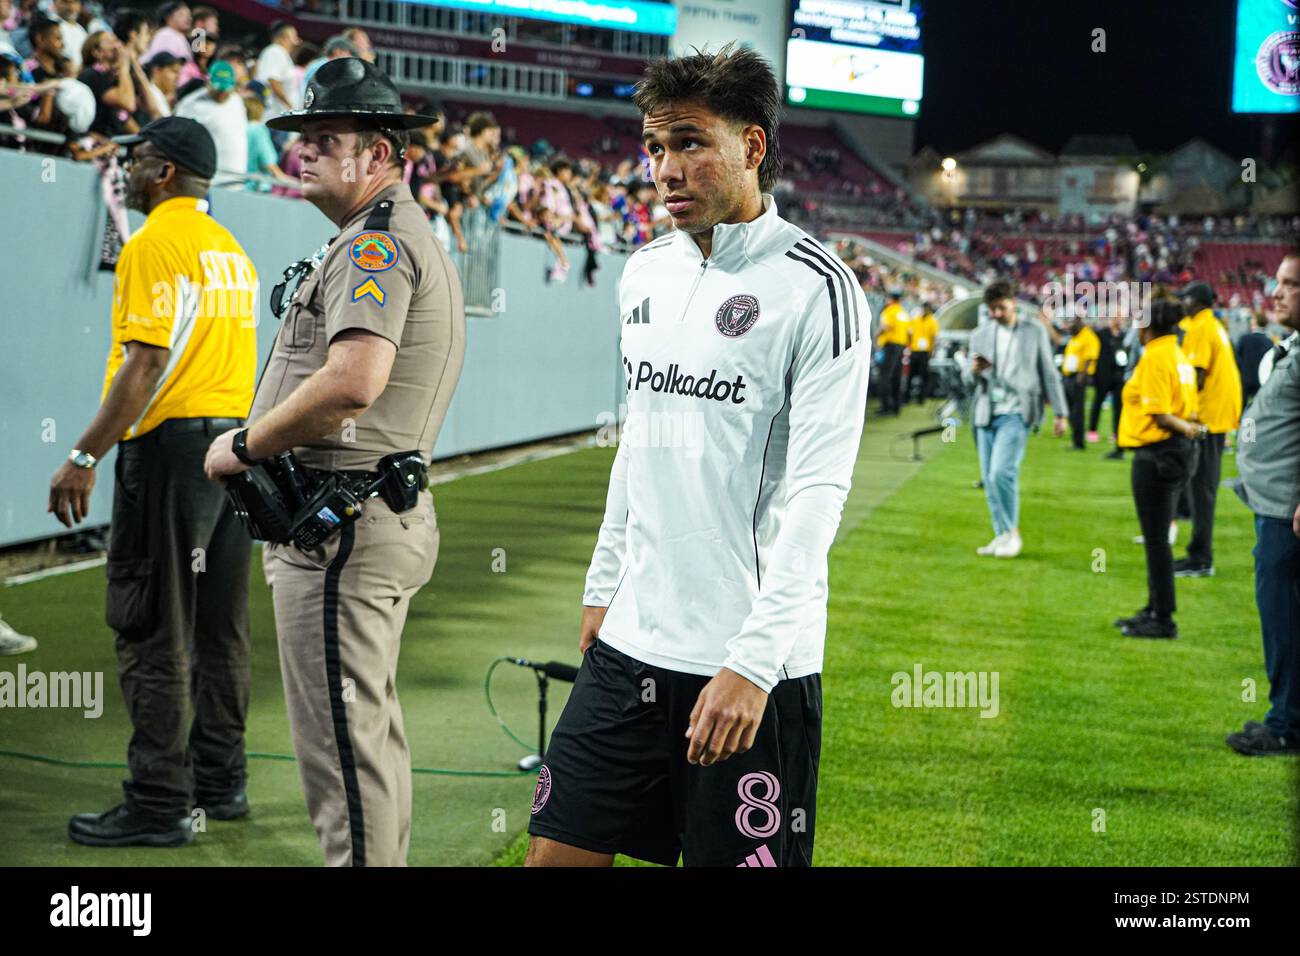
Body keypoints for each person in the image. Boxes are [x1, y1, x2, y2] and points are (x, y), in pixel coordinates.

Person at [525, 44, 870, 868]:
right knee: (553, 859)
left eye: (689, 143)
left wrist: (752, 665)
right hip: (630, 644)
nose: (666, 169)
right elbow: (639, 444)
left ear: (752, 147)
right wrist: (604, 584)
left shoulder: (819, 289)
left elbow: (819, 490)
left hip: (749, 660)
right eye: (654, 147)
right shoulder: (643, 271)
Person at [203, 57, 465, 867]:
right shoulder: (372, 236)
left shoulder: (377, 244)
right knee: (364, 742)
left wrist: (243, 446)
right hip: (360, 516)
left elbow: (353, 383)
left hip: (342, 528)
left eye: (326, 139)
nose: (303, 152)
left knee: (344, 753)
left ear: (380, 155)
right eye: (301, 138)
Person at [47, 116, 258, 847]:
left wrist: (83, 455)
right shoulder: (230, 250)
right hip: (233, 451)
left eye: (135, 159)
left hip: (169, 455)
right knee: (221, 626)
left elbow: (145, 365)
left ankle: (159, 801)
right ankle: (220, 781)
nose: (127, 171)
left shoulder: (151, 245)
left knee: (150, 626)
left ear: (164, 171)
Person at [1229, 252, 1300, 755]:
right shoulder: (1291, 344)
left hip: (1287, 509)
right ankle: (1284, 718)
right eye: (1278, 281)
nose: (1277, 292)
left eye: (1291, 284)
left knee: (1282, 616)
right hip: (1274, 502)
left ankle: (1285, 726)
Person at [1112, 300, 1203, 639]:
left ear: (1146, 326)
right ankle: (1154, 607)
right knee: (1157, 538)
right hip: (1176, 453)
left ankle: (1162, 617)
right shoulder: (1176, 354)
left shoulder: (1154, 356)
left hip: (1157, 454)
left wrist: (1188, 431)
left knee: (1156, 540)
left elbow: (1161, 414)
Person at [966, 279, 1069, 558]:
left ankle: (1012, 534)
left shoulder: (1034, 330)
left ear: (1013, 301)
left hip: (1017, 412)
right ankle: (1001, 533)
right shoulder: (980, 335)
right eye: (992, 309)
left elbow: (1049, 372)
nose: (996, 313)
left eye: (1001, 307)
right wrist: (973, 370)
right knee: (989, 479)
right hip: (986, 412)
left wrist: (1061, 413)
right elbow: (967, 380)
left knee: (1002, 472)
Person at [1174, 281, 1242, 577]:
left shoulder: (1201, 327)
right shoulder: (1212, 325)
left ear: (1197, 301)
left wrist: (1180, 412)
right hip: (1216, 416)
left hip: (1206, 418)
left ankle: (1201, 559)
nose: (1183, 303)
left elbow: (1196, 376)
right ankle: (1198, 553)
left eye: (1186, 299)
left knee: (1201, 488)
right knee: (1201, 486)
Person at [175, 54, 245, 185]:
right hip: (207, 180)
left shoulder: (237, 101)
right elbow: (178, 140)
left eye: (227, 89)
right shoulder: (191, 104)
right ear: (208, 82)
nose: (223, 93)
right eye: (219, 89)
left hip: (236, 179)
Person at [1060, 313, 1099, 450]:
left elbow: (1090, 358)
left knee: (1077, 412)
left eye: (1071, 325)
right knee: (1070, 411)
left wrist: (1081, 378)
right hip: (1069, 376)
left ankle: (1079, 442)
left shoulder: (1088, 336)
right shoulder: (1075, 337)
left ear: (1079, 322)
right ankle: (1075, 439)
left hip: (1078, 378)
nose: (1069, 328)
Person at [1092, 313, 1127, 458]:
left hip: (1118, 375)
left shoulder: (1124, 336)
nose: (1118, 319)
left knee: (1118, 406)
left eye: (1121, 317)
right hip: (1103, 373)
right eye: (1116, 316)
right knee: (1098, 402)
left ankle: (1116, 432)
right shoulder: (1102, 334)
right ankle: (1092, 430)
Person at [253, 19, 299, 130]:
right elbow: (273, 80)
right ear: (284, 36)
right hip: (275, 116)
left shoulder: (280, 53)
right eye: (294, 35)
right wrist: (290, 106)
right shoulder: (275, 51)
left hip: (279, 115)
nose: (297, 39)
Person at [875, 290, 908, 414]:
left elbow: (885, 327)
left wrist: (875, 337)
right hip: (901, 346)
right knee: (896, 376)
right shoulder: (903, 312)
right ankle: (896, 405)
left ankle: (886, 406)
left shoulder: (889, 311)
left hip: (890, 346)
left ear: (890, 299)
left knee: (885, 376)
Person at [1235, 311, 1274, 408]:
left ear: (1255, 322)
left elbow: (1236, 359)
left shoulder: (1244, 338)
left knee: (1241, 407)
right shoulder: (1269, 342)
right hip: (1260, 381)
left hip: (1244, 379)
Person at [907, 299, 938, 403]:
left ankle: (921, 397)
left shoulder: (932, 321)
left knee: (923, 375)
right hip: (915, 350)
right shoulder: (916, 319)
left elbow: (933, 337)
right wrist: (910, 347)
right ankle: (907, 396)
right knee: (910, 374)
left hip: (925, 352)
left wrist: (932, 350)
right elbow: (910, 333)